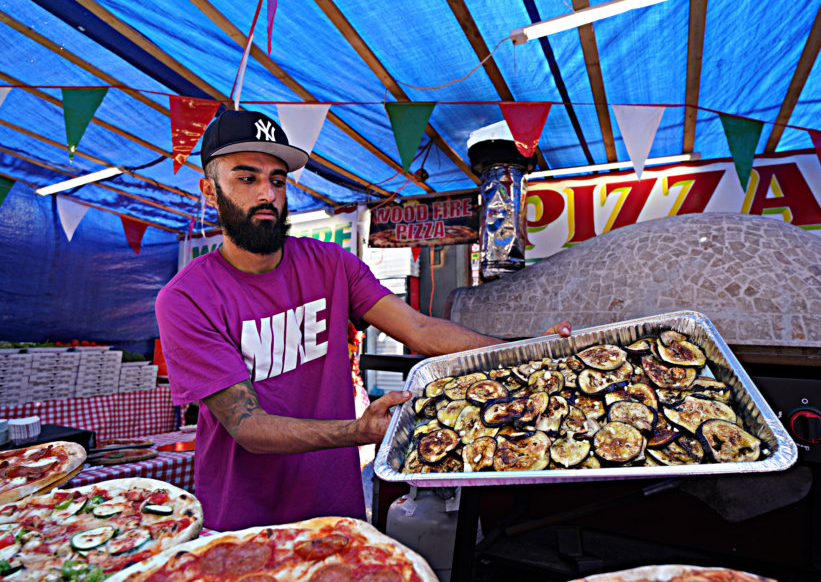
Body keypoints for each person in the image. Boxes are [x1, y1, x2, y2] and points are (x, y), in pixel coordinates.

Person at [155, 109, 571, 531]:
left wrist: (528, 350)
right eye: (247, 178)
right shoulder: (187, 298)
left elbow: (420, 330)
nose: (268, 194)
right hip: (242, 519)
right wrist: (359, 430)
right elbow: (248, 426)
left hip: (335, 509)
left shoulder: (331, 263)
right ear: (210, 191)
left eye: (277, 180)